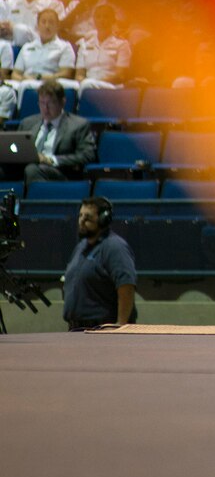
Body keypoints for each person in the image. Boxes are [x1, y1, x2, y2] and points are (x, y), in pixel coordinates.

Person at [61, 197, 137, 330]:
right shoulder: (81, 247)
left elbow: (126, 286)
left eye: (88, 217)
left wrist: (121, 326)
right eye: (80, 215)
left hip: (102, 329)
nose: (81, 221)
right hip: (77, 329)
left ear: (103, 219)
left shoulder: (114, 247)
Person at [18, 80, 98, 181]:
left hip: (60, 172)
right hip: (25, 168)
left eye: (51, 103)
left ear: (62, 102)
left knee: (32, 169)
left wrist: (50, 160)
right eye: (42, 103)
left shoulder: (78, 125)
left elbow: (87, 156)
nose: (45, 108)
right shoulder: (27, 123)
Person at [13, 8, 77, 91]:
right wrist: (23, 79)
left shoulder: (65, 47)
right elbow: (15, 73)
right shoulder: (27, 47)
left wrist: (41, 77)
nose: (47, 26)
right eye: (43, 22)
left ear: (58, 26)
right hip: (25, 83)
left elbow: (66, 73)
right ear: (37, 26)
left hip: (51, 84)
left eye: (51, 22)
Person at [76, 3, 132, 90]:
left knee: (87, 84)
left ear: (113, 20)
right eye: (98, 17)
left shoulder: (122, 44)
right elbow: (79, 74)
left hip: (110, 85)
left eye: (106, 17)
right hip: (86, 83)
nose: (102, 20)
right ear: (94, 20)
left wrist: (96, 82)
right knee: (60, 84)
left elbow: (120, 75)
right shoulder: (85, 44)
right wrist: (82, 81)